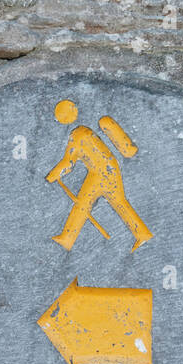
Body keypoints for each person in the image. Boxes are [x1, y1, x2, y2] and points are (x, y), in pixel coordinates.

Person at [46, 99, 152, 252]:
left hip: (101, 173)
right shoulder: (84, 131)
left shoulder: (76, 136)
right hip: (110, 168)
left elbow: (69, 162)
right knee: (119, 202)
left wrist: (52, 175)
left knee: (83, 203)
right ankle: (143, 233)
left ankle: (67, 238)